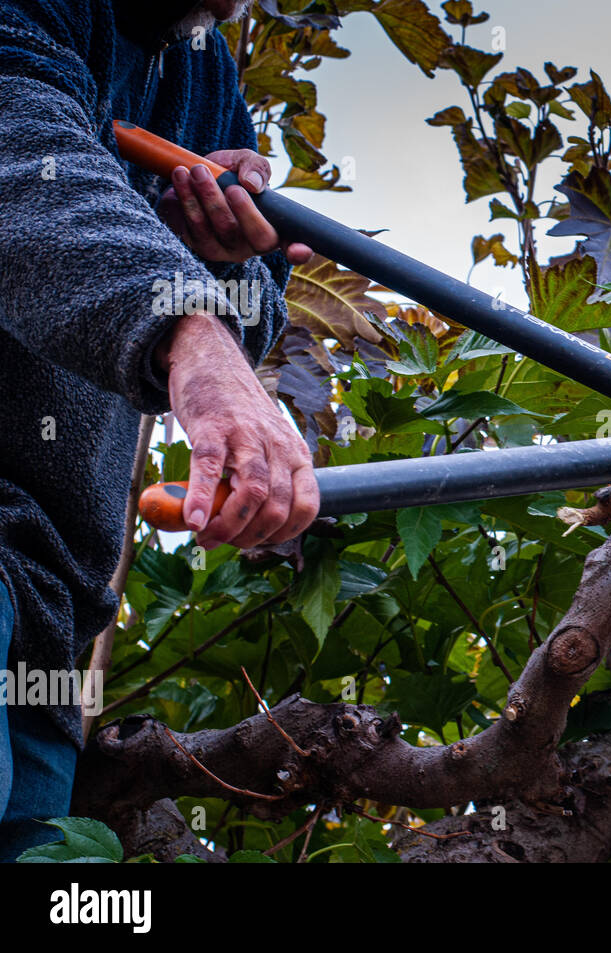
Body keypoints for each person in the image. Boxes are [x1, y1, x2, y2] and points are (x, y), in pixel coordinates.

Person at [0, 0, 319, 859]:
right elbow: (20, 156)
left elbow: (254, 308)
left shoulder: (201, 64)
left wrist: (215, 263)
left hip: (52, 596)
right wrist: (187, 325)